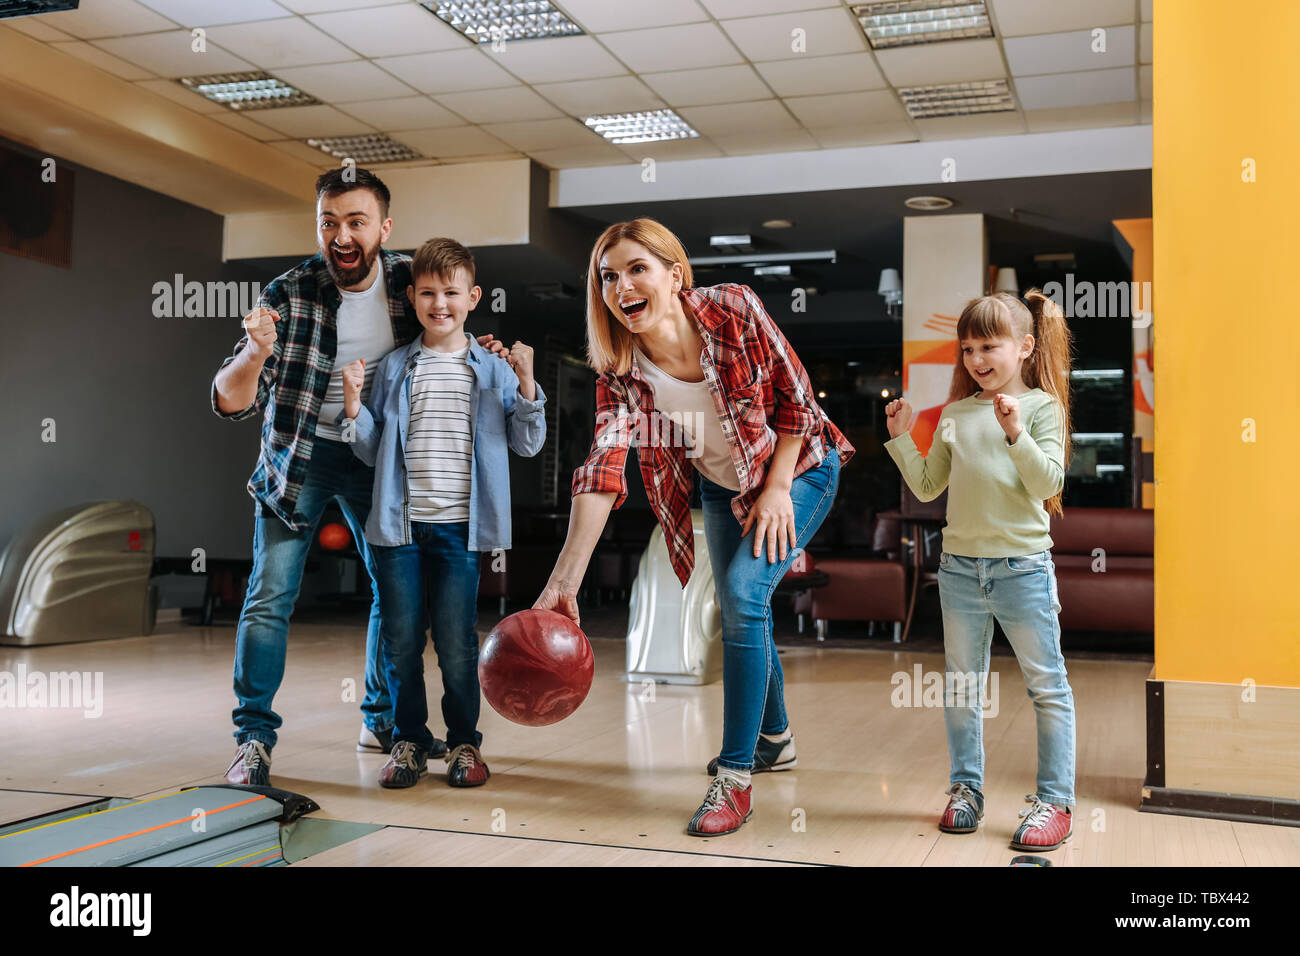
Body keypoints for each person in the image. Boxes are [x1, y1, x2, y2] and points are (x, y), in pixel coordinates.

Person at [534, 218, 854, 836]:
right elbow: (602, 473)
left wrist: (780, 488)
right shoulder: (620, 375)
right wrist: (562, 583)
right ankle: (776, 739)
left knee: (741, 594)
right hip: (722, 485)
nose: (621, 286)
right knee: (744, 609)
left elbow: (797, 400)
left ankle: (734, 780)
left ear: (674, 276)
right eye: (607, 276)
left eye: (636, 269)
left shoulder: (733, 310)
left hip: (803, 468)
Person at [211, 168, 490, 786]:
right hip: (300, 458)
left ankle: (380, 718)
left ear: (383, 228)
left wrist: (487, 353)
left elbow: (449, 335)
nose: (341, 235)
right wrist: (256, 353)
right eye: (328, 222)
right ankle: (252, 739)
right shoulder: (288, 293)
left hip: (378, 460)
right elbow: (228, 400)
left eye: (356, 222)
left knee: (395, 597)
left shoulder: (407, 282)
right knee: (269, 596)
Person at [339, 237, 545, 789]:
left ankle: (463, 746)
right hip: (398, 528)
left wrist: (527, 382)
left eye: (451, 293)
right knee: (401, 639)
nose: (439, 304)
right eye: (427, 293)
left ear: (472, 296)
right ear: (412, 296)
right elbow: (369, 447)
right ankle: (407, 740)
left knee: (456, 642)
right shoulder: (394, 368)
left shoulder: (494, 371)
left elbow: (528, 444)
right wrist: (355, 405)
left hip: (460, 530)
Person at [883, 289, 1077, 851]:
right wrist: (900, 435)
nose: (976, 359)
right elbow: (926, 486)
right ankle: (965, 790)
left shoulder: (1043, 408)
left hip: (1023, 570)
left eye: (988, 346)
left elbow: (1047, 487)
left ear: (1025, 347)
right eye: (967, 348)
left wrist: (1015, 432)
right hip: (961, 572)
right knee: (963, 688)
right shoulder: (955, 414)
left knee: (1048, 689)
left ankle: (1054, 801)